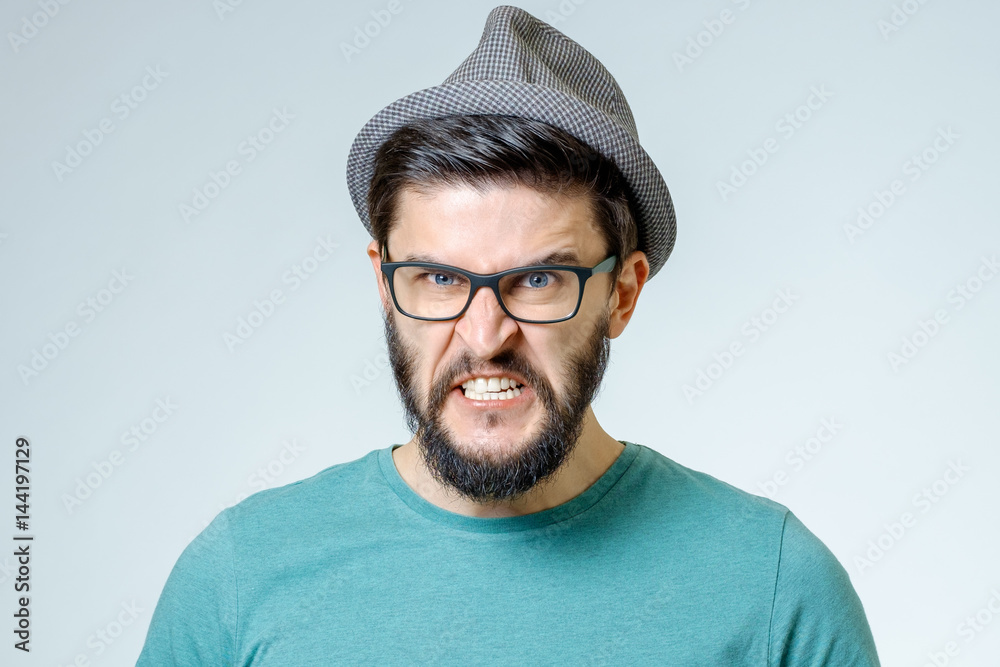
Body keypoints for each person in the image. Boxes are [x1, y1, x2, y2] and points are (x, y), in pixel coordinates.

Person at [137, 5, 880, 665]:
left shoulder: (774, 586)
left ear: (622, 293)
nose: (485, 335)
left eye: (536, 280)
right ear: (384, 284)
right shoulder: (241, 575)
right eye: (438, 278)